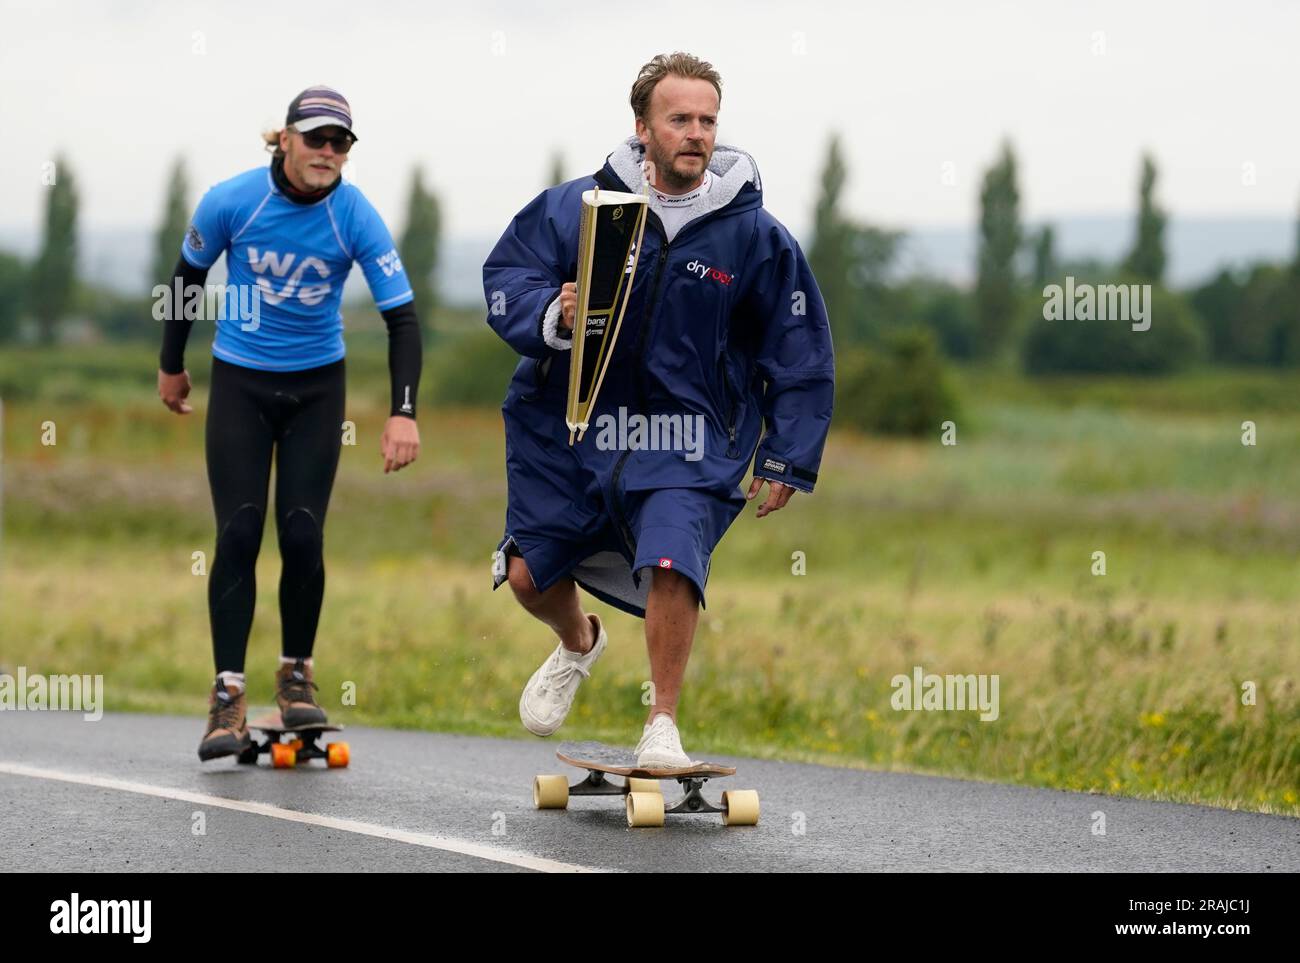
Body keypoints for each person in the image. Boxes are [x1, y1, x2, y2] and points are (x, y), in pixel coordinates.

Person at [483, 53, 834, 767]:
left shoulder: (754, 234)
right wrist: (551, 309)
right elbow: (504, 276)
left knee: (674, 557)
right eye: (680, 119)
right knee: (527, 575)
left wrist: (788, 454)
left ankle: (662, 724)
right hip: (572, 427)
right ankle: (578, 642)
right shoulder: (580, 209)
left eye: (707, 120)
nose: (696, 133)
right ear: (643, 128)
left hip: (690, 433)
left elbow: (797, 344)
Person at [156, 86, 423, 761]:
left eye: (341, 143)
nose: (328, 153)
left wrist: (403, 411)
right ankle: (226, 696)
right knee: (240, 531)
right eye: (316, 139)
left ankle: (296, 674)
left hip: (316, 390)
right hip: (241, 383)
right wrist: (171, 366)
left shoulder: (353, 214)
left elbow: (403, 319)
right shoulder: (232, 200)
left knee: (302, 534)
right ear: (284, 139)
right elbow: (187, 280)